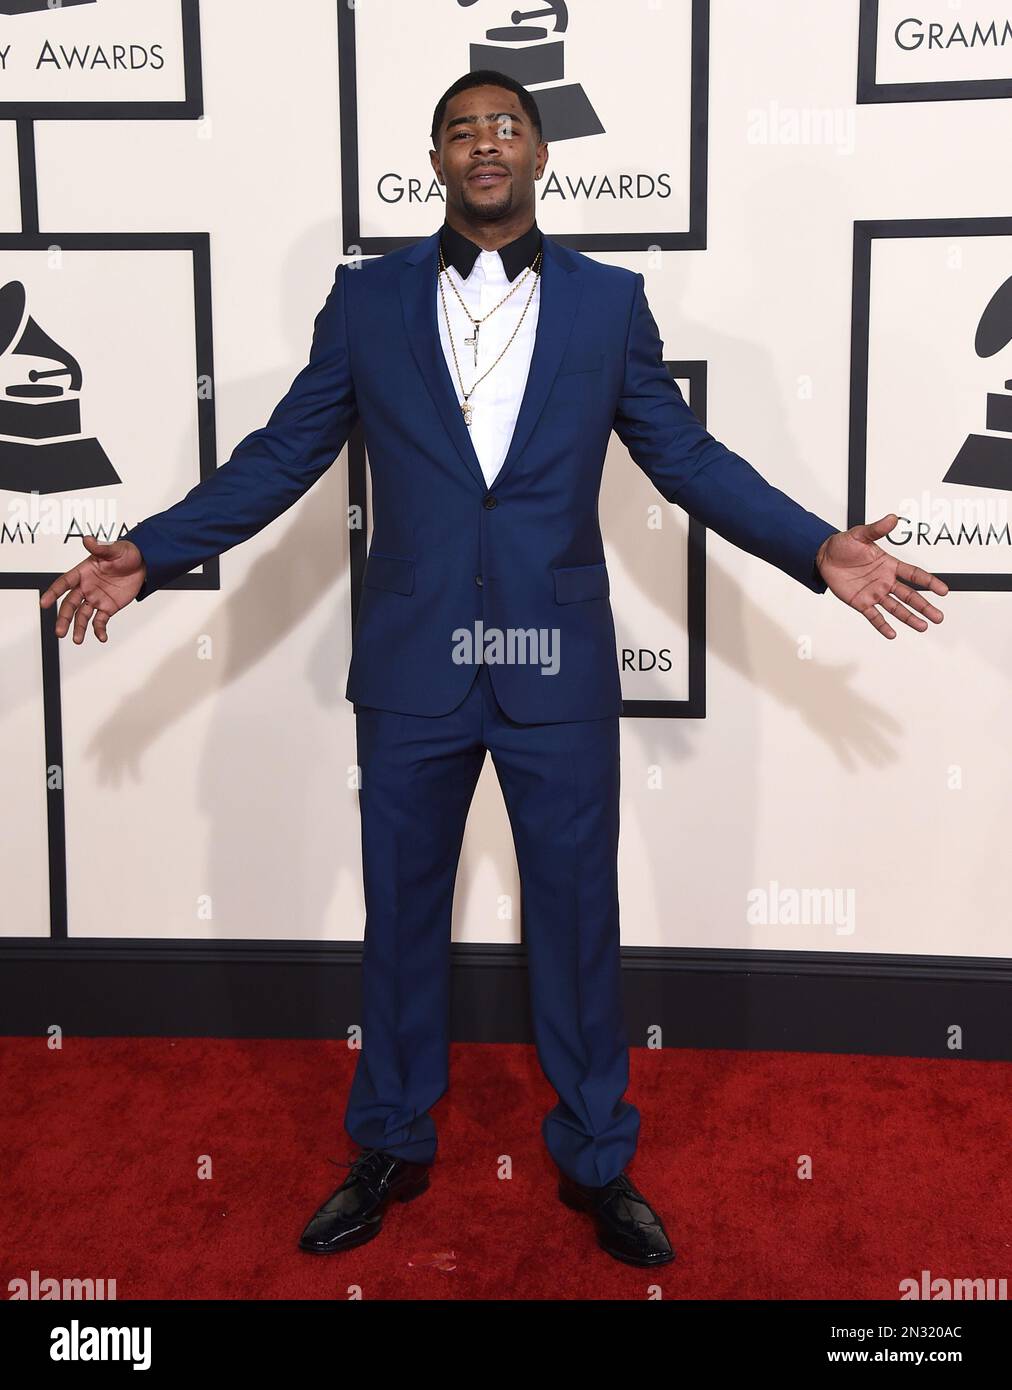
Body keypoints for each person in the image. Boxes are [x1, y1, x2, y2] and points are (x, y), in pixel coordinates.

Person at [40, 70, 948, 1269]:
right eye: (462, 128)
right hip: (412, 668)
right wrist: (151, 553)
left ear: (538, 155)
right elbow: (278, 456)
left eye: (505, 126)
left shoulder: (608, 305)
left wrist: (811, 542)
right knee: (399, 922)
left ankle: (595, 1156)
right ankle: (390, 1143)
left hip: (554, 666)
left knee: (578, 922)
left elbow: (684, 457)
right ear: (434, 159)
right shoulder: (363, 306)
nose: (485, 144)